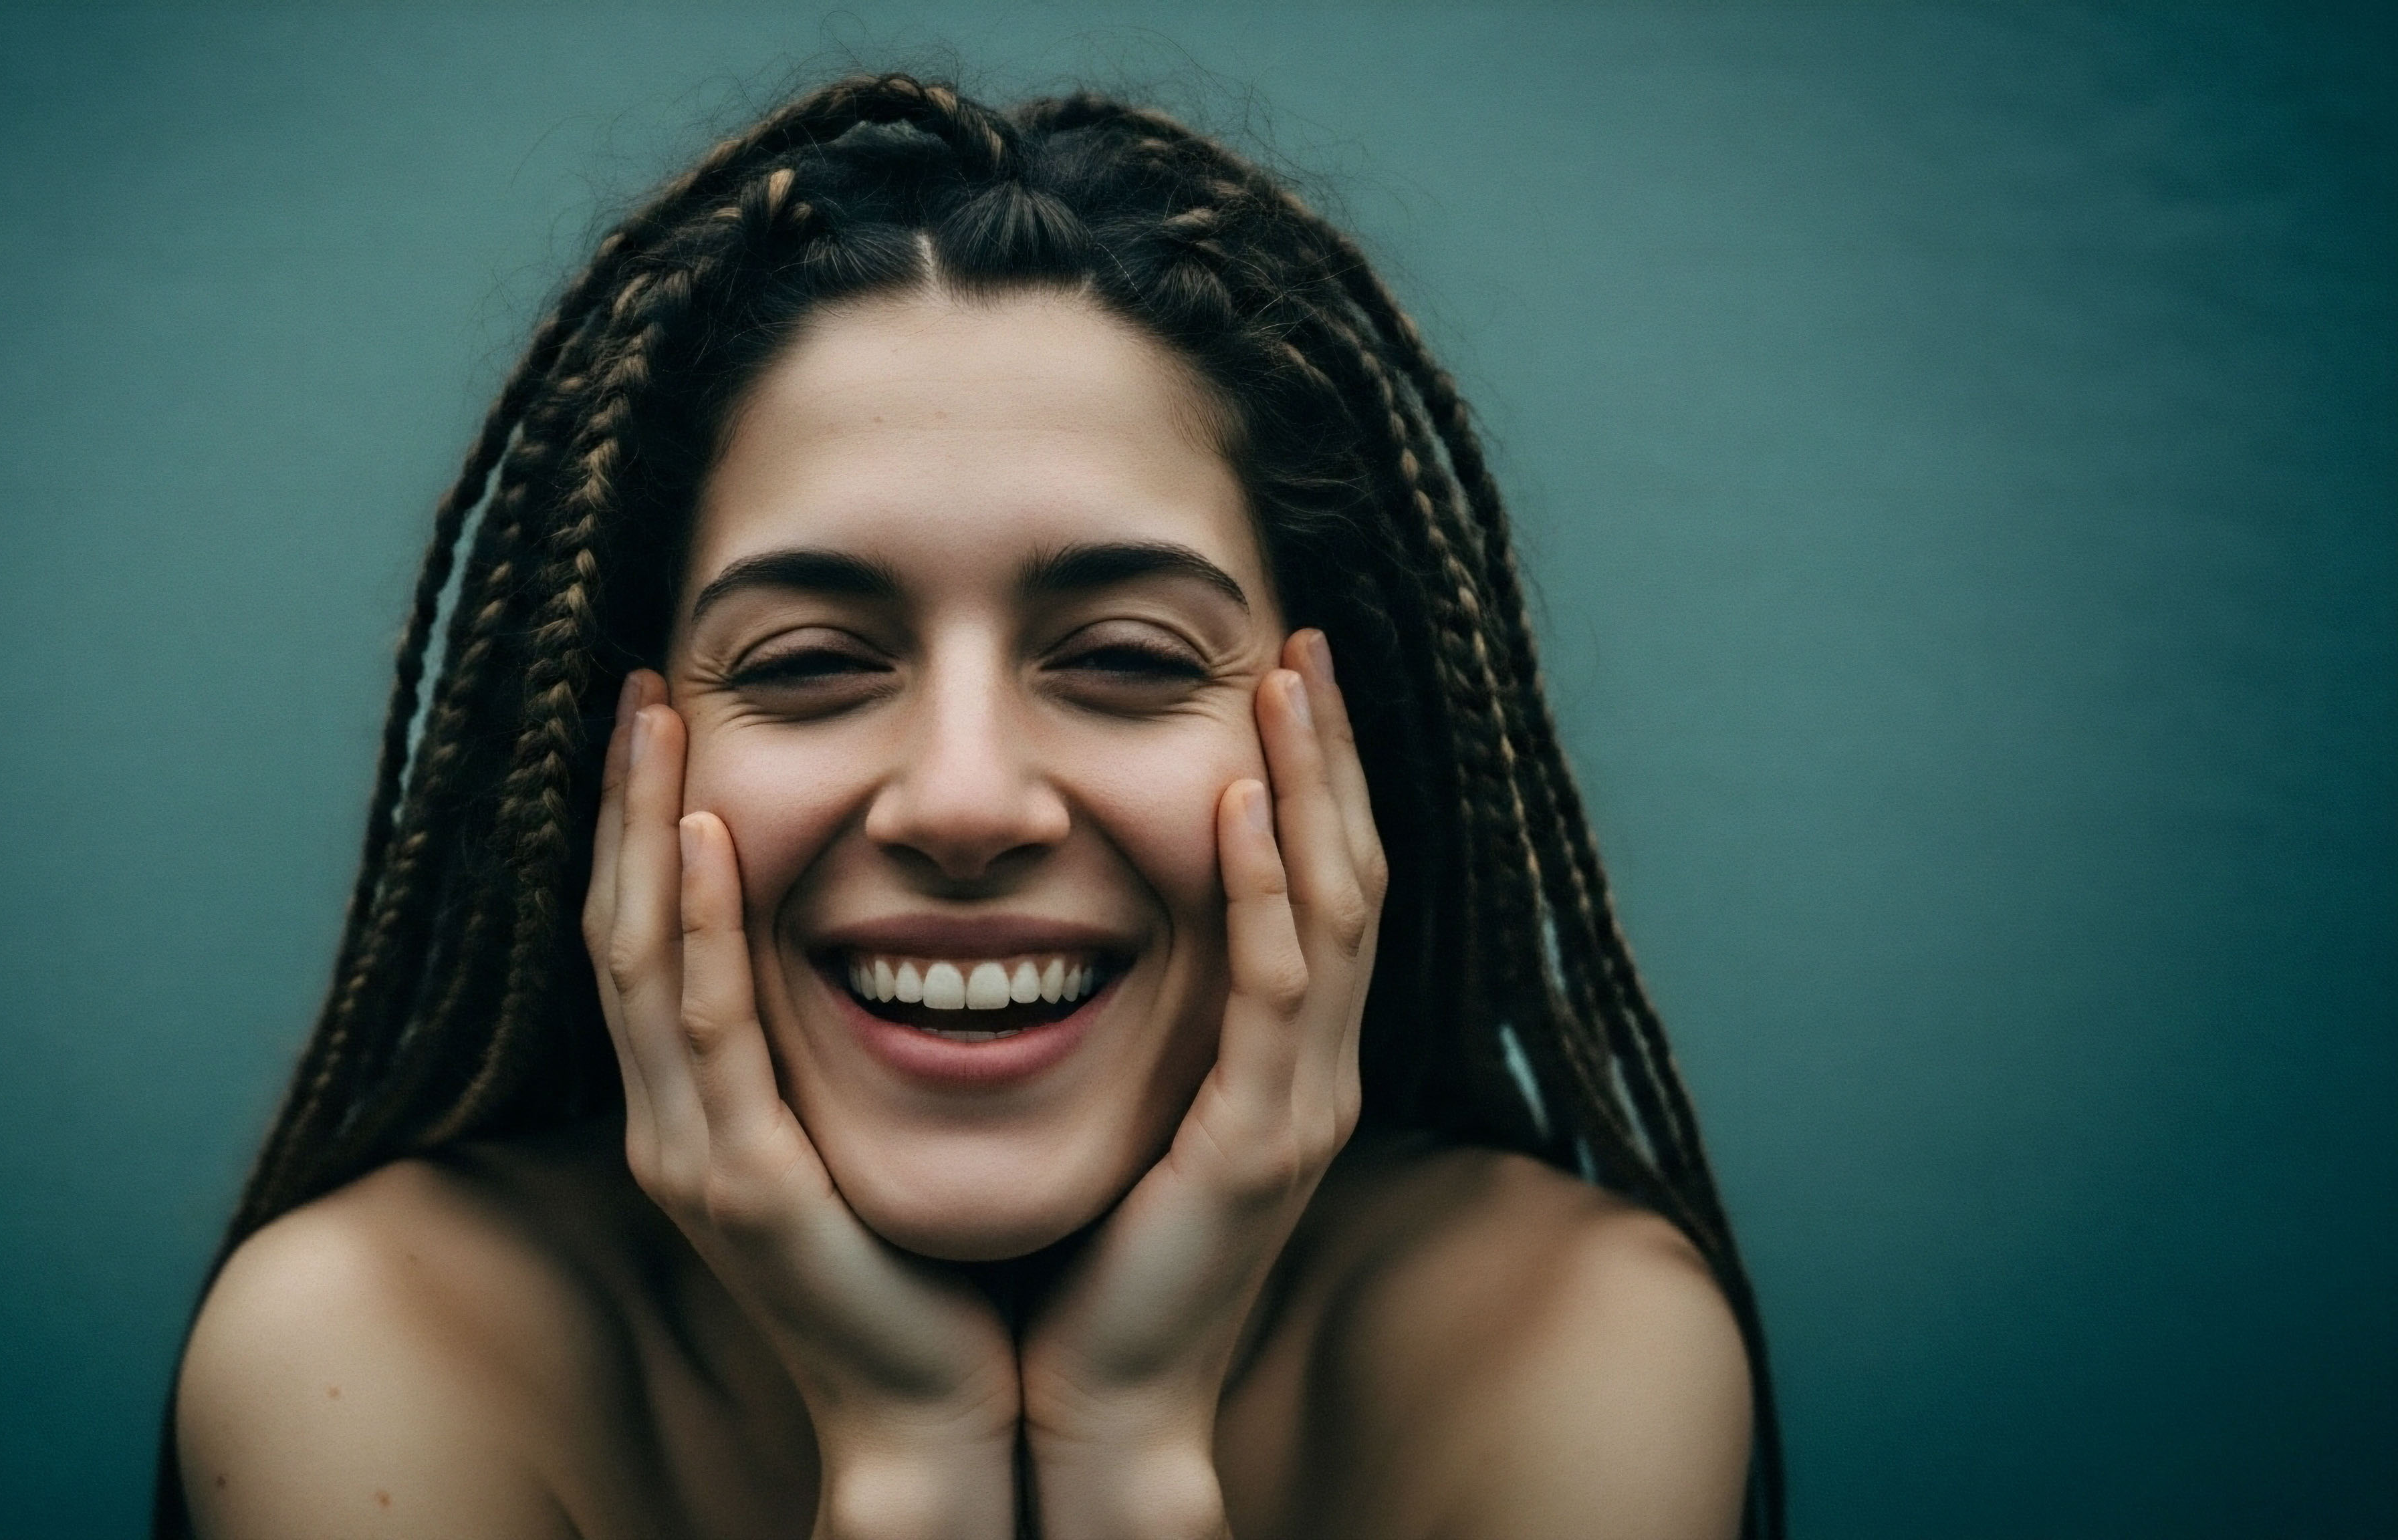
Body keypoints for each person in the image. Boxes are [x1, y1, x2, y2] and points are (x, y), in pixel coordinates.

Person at [161, 75, 1780, 1540]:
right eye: (804, 664)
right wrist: (912, 1456)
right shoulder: (367, 1353)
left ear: (1337, 753)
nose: (963, 800)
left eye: (1129, 658)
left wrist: (1126, 1449)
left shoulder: (1568, 1350)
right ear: (613, 758)